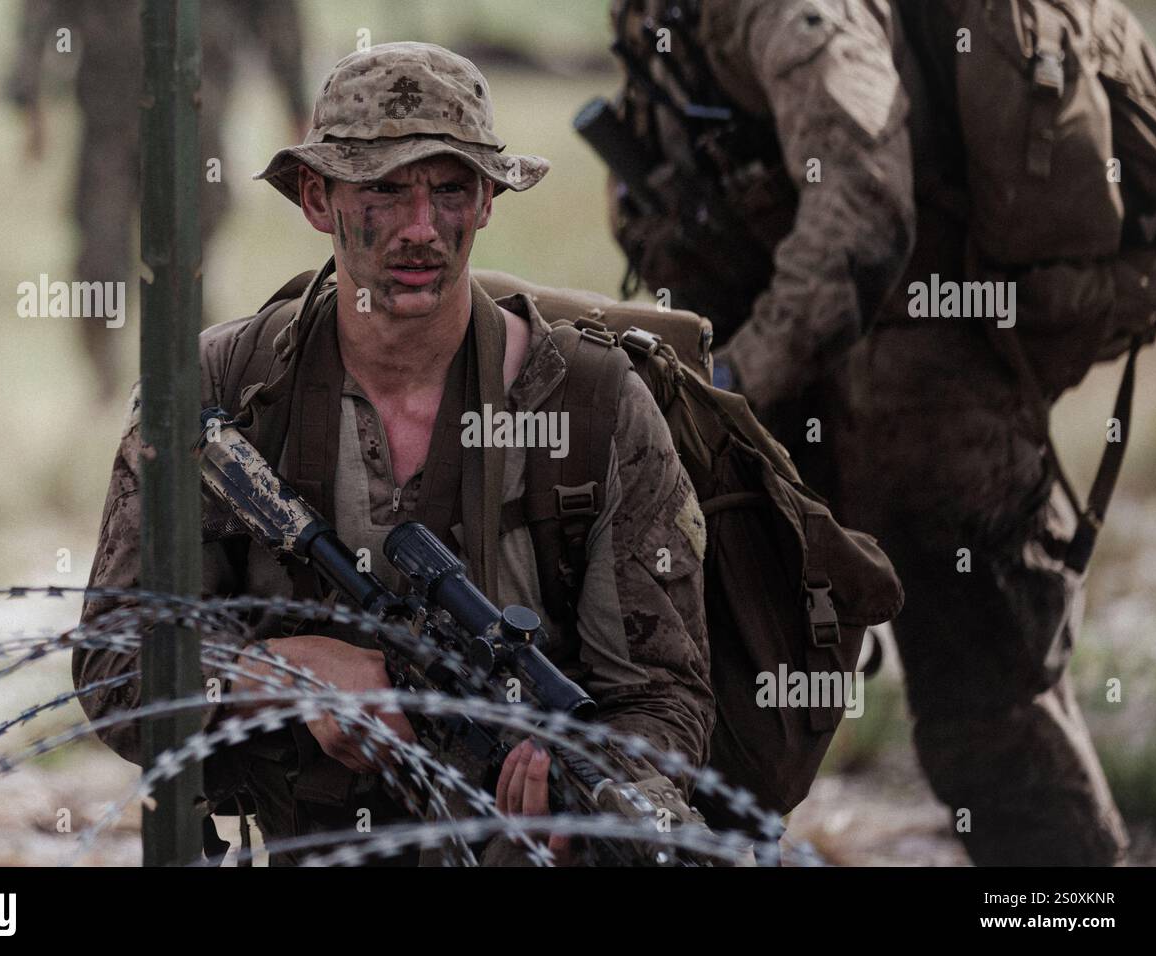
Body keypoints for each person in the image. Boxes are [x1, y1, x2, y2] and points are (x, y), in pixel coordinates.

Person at [75, 41, 714, 865]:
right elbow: (112, 666)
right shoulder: (221, 391)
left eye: (450, 189)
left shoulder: (590, 403)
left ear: (487, 201)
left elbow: (662, 694)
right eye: (383, 188)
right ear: (316, 197)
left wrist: (587, 797)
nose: (421, 230)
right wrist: (284, 670)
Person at [604, 0, 1148, 864]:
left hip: (925, 401)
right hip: (833, 387)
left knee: (990, 715)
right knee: (736, 698)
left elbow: (863, 204)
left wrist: (726, 385)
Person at [5, 0, 311, 398]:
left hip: (198, 112)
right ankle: (104, 386)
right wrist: (29, 94)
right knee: (99, 257)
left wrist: (297, 101)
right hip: (107, 114)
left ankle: (198, 381)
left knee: (189, 259)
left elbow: (274, 13)